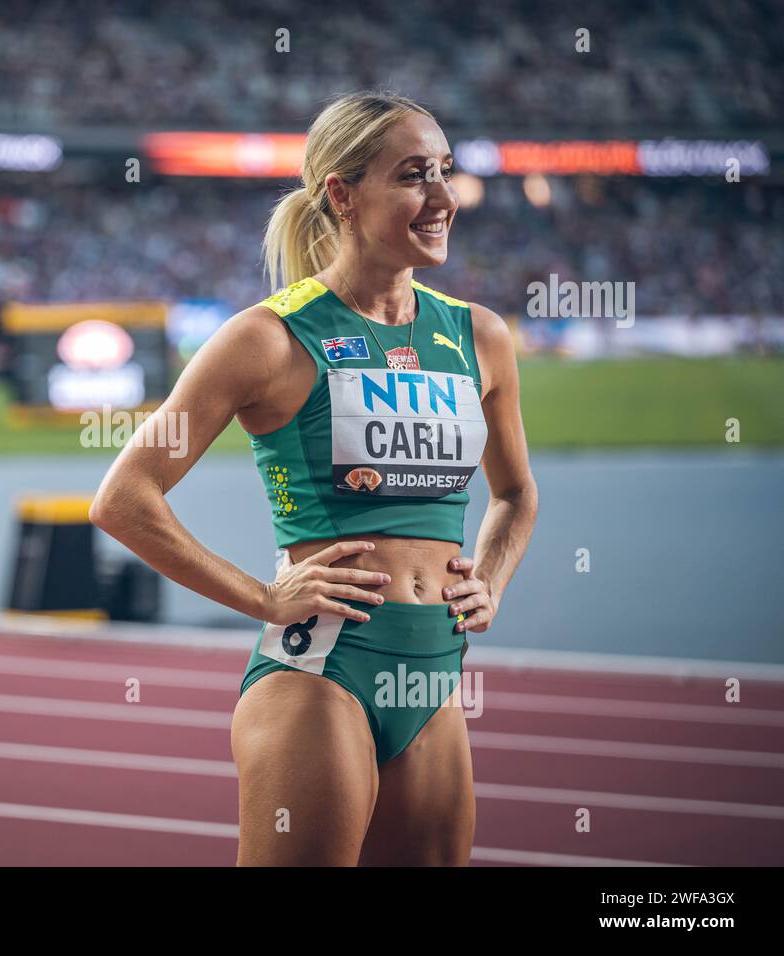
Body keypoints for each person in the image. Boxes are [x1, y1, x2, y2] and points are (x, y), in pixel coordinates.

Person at [89, 91, 538, 865]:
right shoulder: (267, 338)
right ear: (341, 193)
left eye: (445, 173)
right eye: (412, 176)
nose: (441, 198)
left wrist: (491, 577)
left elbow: (515, 492)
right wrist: (262, 597)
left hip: (434, 676)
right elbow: (123, 497)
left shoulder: (479, 335)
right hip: (321, 675)